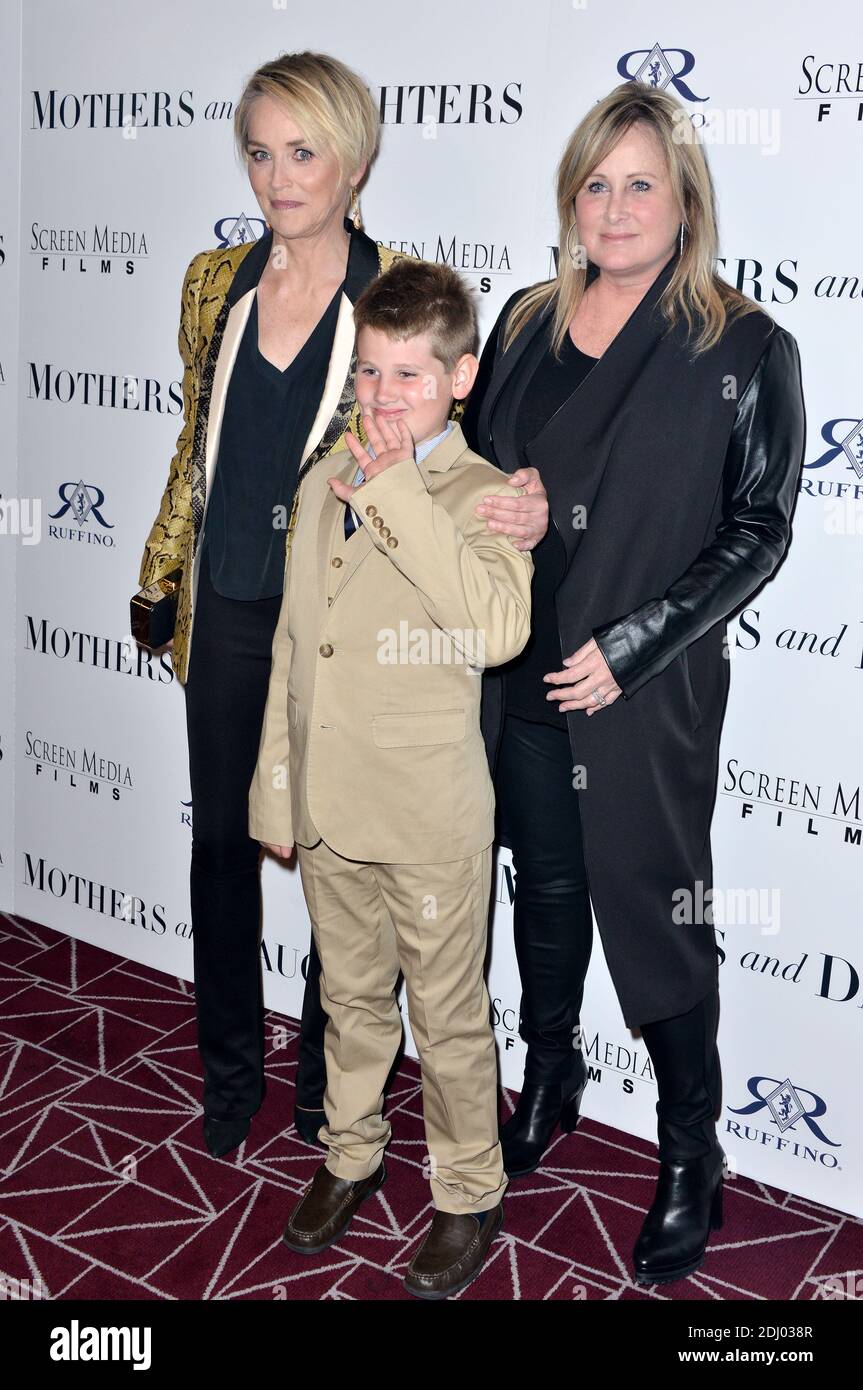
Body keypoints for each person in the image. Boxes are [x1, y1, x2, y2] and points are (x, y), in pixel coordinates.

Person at [459, 81, 806, 1286]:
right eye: (593, 183)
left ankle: (686, 1154)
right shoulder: (519, 321)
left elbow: (759, 528)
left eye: (638, 182)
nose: (613, 207)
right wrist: (500, 503)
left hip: (639, 689)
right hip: (514, 663)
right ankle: (549, 1082)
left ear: (684, 200)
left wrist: (638, 640)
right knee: (541, 892)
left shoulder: (743, 343)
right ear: (568, 199)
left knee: (660, 922)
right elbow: (472, 471)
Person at [138, 50, 433, 1159]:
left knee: (339, 864)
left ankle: (324, 1081)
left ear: (353, 160)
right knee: (221, 847)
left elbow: (429, 472)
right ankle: (227, 1080)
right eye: (259, 153)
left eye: (302, 152)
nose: (277, 177)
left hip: (337, 628)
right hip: (225, 606)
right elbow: (195, 445)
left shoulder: (405, 296)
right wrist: (161, 572)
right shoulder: (212, 280)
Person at [248, 258, 533, 1298]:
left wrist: (401, 486)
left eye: (410, 376)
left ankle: (466, 1191)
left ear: (461, 379)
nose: (381, 399)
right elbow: (295, 647)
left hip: (426, 820)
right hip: (330, 807)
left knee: (448, 1017)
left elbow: (496, 630)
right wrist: (277, 790)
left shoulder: (486, 496)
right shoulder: (324, 475)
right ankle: (349, 1157)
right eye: (368, 373)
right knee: (352, 1004)